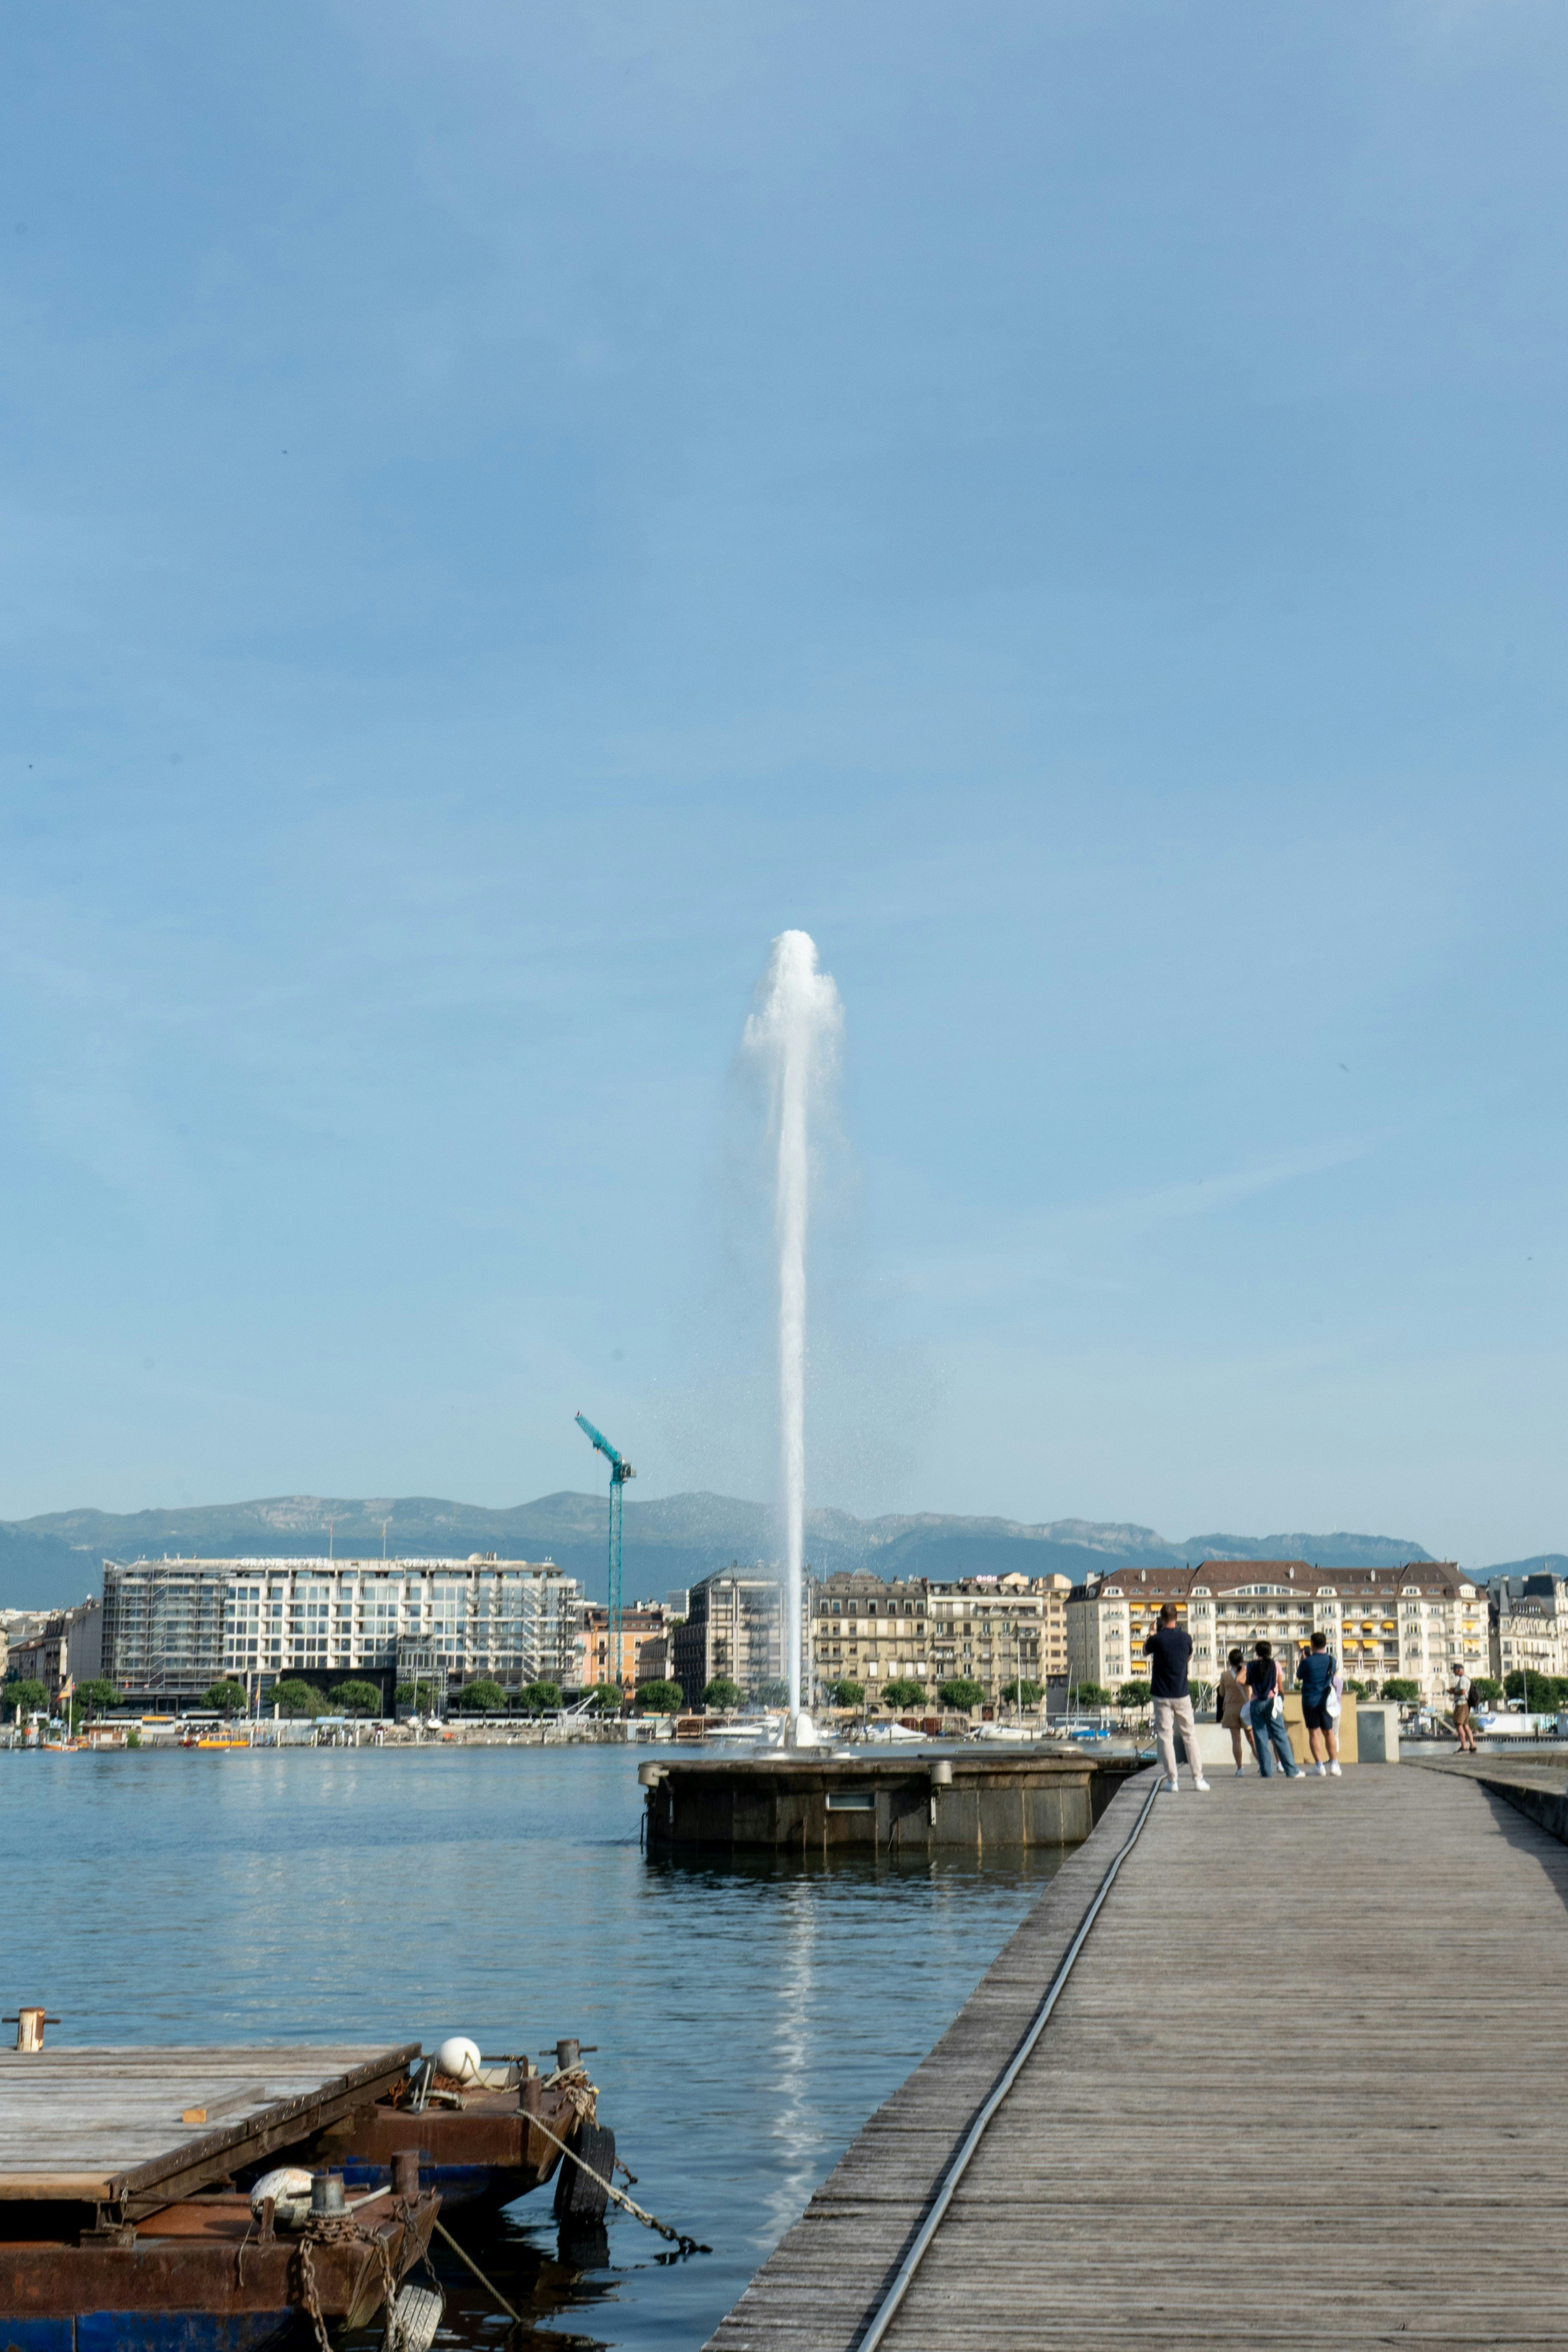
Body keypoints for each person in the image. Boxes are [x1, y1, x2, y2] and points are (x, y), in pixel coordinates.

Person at [1143, 1600, 1209, 1793]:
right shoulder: (1186, 1638)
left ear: (1162, 1620)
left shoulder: (1157, 1639)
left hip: (1161, 1694)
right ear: (1177, 1618)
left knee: (1165, 1737)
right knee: (1190, 1736)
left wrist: (1152, 1633)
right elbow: (1189, 1656)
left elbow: (1145, 1651)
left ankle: (1173, 1781)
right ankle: (1198, 1779)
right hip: (1182, 1693)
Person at [1245, 1640, 1302, 1780]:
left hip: (1256, 1703)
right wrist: (1280, 1700)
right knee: (1280, 1736)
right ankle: (1291, 1770)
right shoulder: (1276, 1665)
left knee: (1260, 1738)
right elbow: (1280, 1687)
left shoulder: (1251, 1666)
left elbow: (1245, 1681)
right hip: (1272, 1702)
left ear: (1256, 1653)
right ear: (1270, 1652)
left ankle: (1266, 1771)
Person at [1295, 1630, 1341, 1777]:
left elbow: (1299, 1676)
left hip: (1310, 1700)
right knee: (1329, 1732)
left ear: (1312, 1645)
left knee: (1314, 1733)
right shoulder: (1332, 1661)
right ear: (1326, 1644)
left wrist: (1304, 1660)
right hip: (1327, 1701)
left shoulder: (1308, 1662)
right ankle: (1334, 1765)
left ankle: (1319, 1766)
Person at [1217, 1646, 1255, 1777]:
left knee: (1236, 1740)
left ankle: (1240, 1768)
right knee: (1252, 1739)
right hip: (1246, 1708)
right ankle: (1262, 1765)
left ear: (1229, 1661)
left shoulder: (1225, 1675)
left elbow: (1222, 1693)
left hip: (1231, 1710)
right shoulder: (1247, 1672)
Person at [1451, 1663, 1479, 1754]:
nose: (1454, 1672)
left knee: (1459, 1725)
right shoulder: (1467, 1678)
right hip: (1466, 1704)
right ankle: (1473, 1746)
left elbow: (1463, 1692)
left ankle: (1464, 1747)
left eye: (1454, 1670)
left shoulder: (1463, 1679)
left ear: (1459, 1670)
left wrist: (1453, 1691)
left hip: (1461, 1704)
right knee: (1466, 1726)